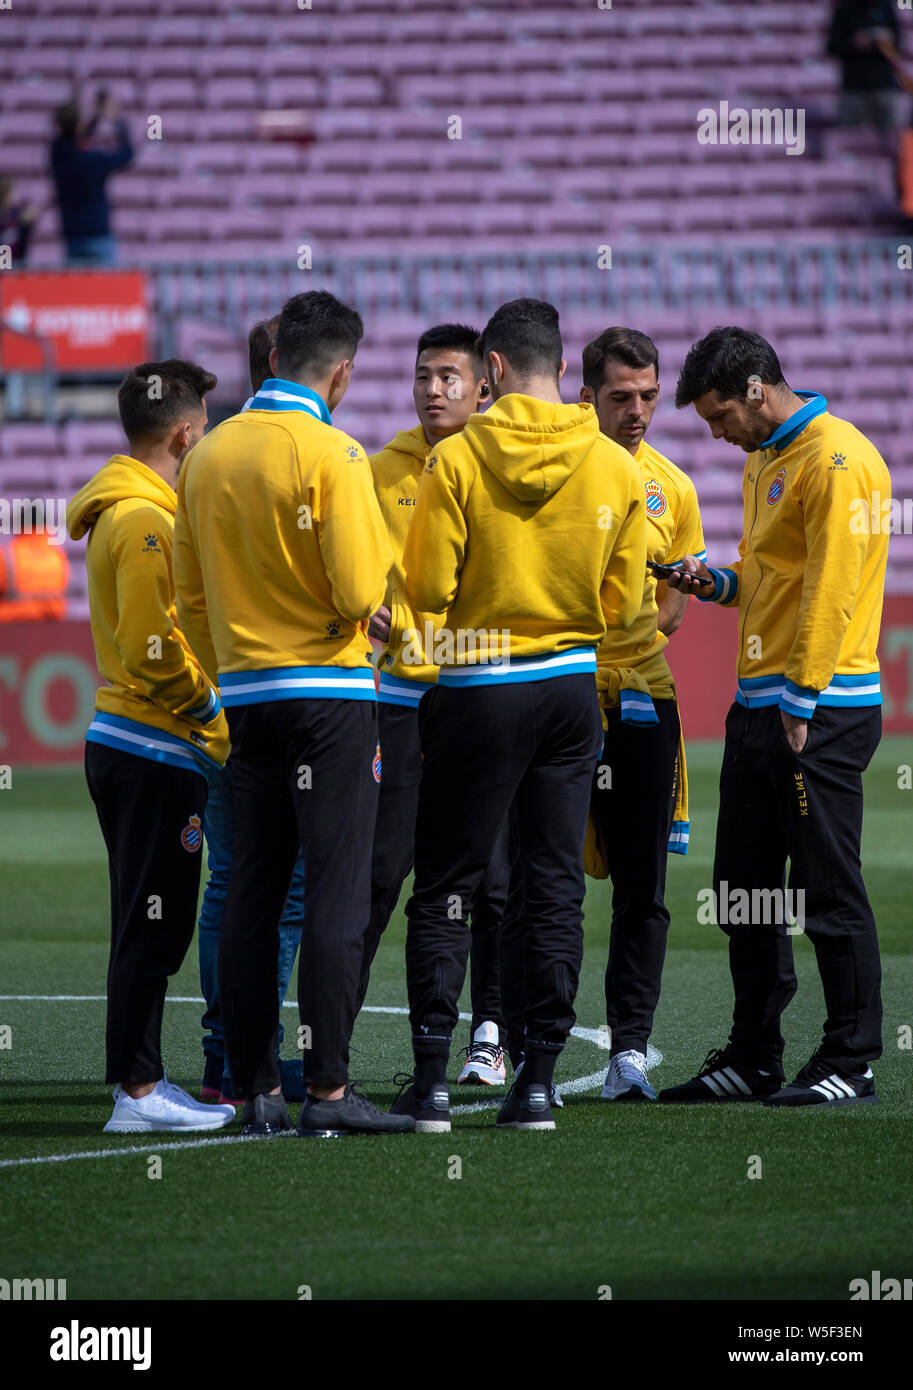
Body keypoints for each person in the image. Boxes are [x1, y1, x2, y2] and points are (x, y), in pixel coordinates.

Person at [390, 298, 648, 1133]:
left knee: (446, 886)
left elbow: (426, 590)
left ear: (491, 371)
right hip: (571, 687)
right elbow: (624, 601)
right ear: (563, 369)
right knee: (553, 886)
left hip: (475, 684)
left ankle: (431, 1083)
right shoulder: (614, 465)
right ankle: (534, 1084)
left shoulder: (457, 459)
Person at [174, 289, 413, 1138]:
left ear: (274, 359)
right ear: (340, 372)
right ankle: (330, 1093)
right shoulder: (336, 454)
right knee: (335, 898)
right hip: (329, 698)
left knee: (248, 893)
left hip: (244, 700)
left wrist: (235, 660)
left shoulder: (205, 455)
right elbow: (355, 590)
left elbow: (188, 597)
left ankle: (250, 1088)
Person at [661, 327, 889, 1107]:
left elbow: (834, 587)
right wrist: (716, 582)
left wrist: (800, 700)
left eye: (720, 415)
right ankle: (755, 1055)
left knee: (825, 891)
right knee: (741, 887)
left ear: (756, 389)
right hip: (758, 704)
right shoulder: (767, 458)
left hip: (814, 710)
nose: (716, 433)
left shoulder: (837, 459)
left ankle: (850, 1061)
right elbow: (773, 572)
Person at [66, 360, 235, 1134]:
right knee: (152, 923)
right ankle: (136, 1092)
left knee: (149, 919)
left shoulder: (131, 508)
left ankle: (140, 1082)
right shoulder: (143, 520)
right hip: (152, 744)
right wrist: (210, 713)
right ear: (185, 432)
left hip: (136, 743)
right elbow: (151, 647)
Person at [358, 323, 511, 1088]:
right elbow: (348, 570)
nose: (433, 390)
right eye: (423, 376)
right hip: (400, 700)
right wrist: (368, 609)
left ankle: (488, 1034)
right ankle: (332, 1047)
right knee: (379, 875)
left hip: (481, 695)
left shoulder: (499, 464)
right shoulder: (376, 470)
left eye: (449, 377)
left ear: (485, 386)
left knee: (490, 877)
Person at [579, 327, 706, 1101]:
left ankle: (629, 1050)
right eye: (620, 396)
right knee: (541, 877)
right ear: (584, 392)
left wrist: (630, 640)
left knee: (643, 884)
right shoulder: (558, 471)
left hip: (643, 697)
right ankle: (522, 1047)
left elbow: (673, 603)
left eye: (649, 396)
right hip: (556, 695)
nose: (637, 410)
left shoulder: (673, 487)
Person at [196, 314, 307, 1106]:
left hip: (219, 698)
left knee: (227, 880)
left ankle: (223, 1053)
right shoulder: (305, 452)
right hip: (289, 696)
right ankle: (255, 1053)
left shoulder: (207, 458)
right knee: (287, 884)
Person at [50, 92, 132, 266]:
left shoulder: (57, 154)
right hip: (98, 234)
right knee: (106, 290)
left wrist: (96, 118)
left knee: (77, 291)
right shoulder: (92, 160)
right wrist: (116, 120)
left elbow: (72, 140)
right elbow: (126, 155)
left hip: (72, 236)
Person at [827, 0, 900, 133]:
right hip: (853, 86)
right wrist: (854, 42)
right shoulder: (845, 9)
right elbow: (832, 47)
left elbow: (898, 46)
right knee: (847, 137)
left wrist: (886, 40)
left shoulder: (885, 7)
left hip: (882, 85)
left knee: (890, 139)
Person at [0, 504, 70, 622]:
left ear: (20, 525)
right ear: (46, 525)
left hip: (14, 623)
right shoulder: (58, 555)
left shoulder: (8, 555)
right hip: (53, 622)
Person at [0, 174, 37, 265]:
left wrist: (27, 223)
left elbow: (30, 216)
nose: (13, 196)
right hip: (5, 266)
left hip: (16, 266)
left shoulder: (16, 214)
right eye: (10, 193)